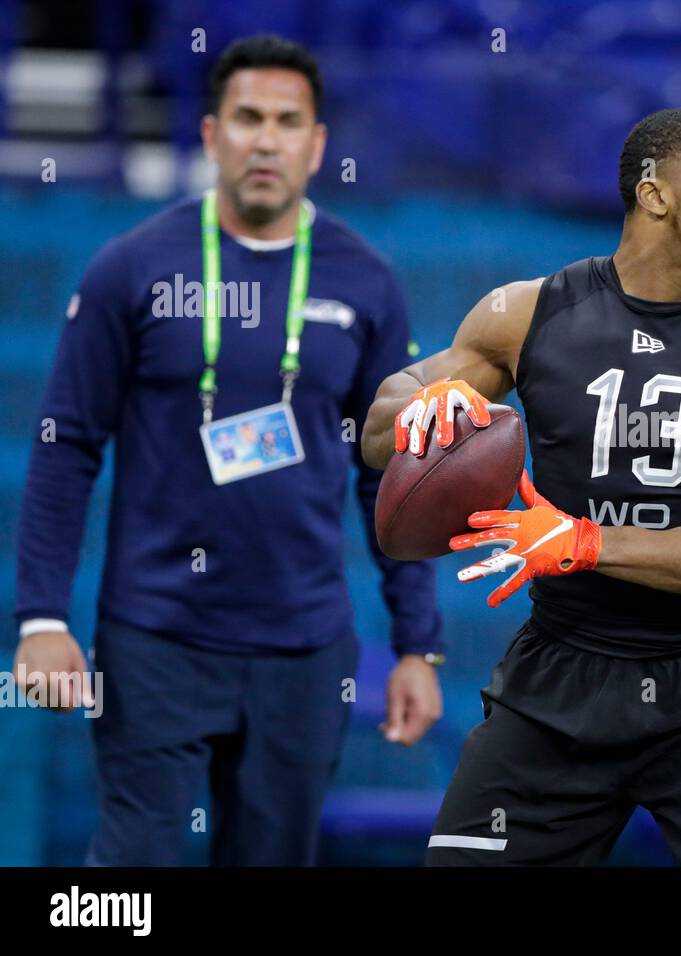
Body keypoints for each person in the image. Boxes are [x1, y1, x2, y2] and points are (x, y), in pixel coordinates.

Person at [362, 107, 681, 866]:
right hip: (562, 675)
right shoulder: (526, 314)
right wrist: (423, 409)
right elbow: (377, 438)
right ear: (655, 194)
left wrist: (586, 542)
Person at [12, 35, 443, 866]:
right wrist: (40, 618)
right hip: (155, 637)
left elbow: (393, 472)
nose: (266, 139)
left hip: (304, 647)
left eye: (288, 122)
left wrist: (418, 644)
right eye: (247, 117)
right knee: (132, 871)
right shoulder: (130, 269)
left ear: (317, 146)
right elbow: (65, 447)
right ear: (211, 135)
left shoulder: (365, 280)